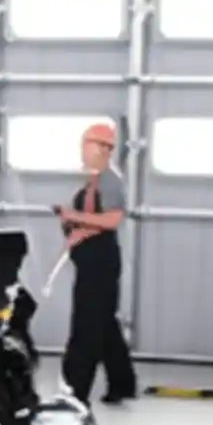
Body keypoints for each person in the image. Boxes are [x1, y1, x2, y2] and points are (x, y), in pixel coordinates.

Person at [52, 123, 137, 405]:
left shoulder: (110, 182)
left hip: (100, 263)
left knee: (87, 326)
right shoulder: (94, 180)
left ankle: (76, 391)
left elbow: (112, 220)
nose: (83, 151)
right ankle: (122, 383)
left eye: (87, 145)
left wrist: (74, 217)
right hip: (90, 260)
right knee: (104, 324)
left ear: (103, 149)